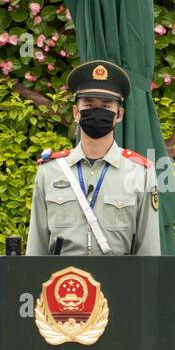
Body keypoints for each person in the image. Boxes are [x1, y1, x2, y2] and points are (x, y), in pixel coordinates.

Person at [25, 59, 161, 257]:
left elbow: (148, 250)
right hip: (62, 284)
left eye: (106, 106)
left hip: (119, 284)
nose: (97, 111)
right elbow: (36, 246)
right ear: (76, 112)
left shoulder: (140, 172)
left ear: (119, 114)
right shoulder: (49, 171)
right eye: (89, 104)